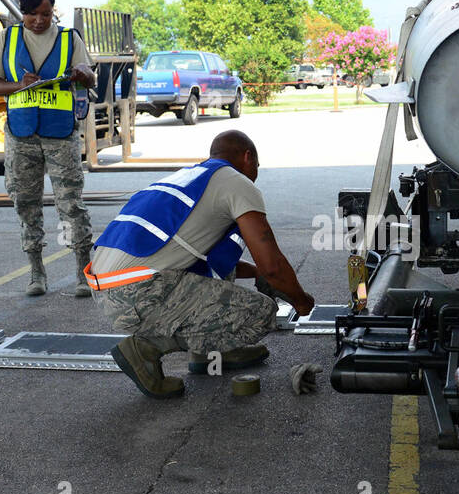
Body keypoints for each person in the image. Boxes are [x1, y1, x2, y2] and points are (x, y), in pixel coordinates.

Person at [85, 130, 316, 398]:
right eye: (257, 167)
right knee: (261, 313)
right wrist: (301, 301)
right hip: (138, 294)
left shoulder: (191, 177)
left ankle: (211, 353)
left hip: (108, 287)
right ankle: (145, 350)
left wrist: (255, 273)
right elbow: (273, 265)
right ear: (247, 157)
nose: (256, 174)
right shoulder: (237, 182)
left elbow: (211, 259)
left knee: (219, 260)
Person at [0, 0, 97, 297]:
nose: (39, 21)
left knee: (71, 206)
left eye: (45, 14)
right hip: (21, 136)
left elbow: (89, 75)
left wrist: (84, 75)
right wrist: (19, 85)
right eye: (32, 14)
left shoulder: (70, 39)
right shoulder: (8, 37)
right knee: (26, 204)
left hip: (60, 135)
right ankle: (36, 271)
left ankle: (83, 272)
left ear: (53, 10)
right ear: (22, 12)